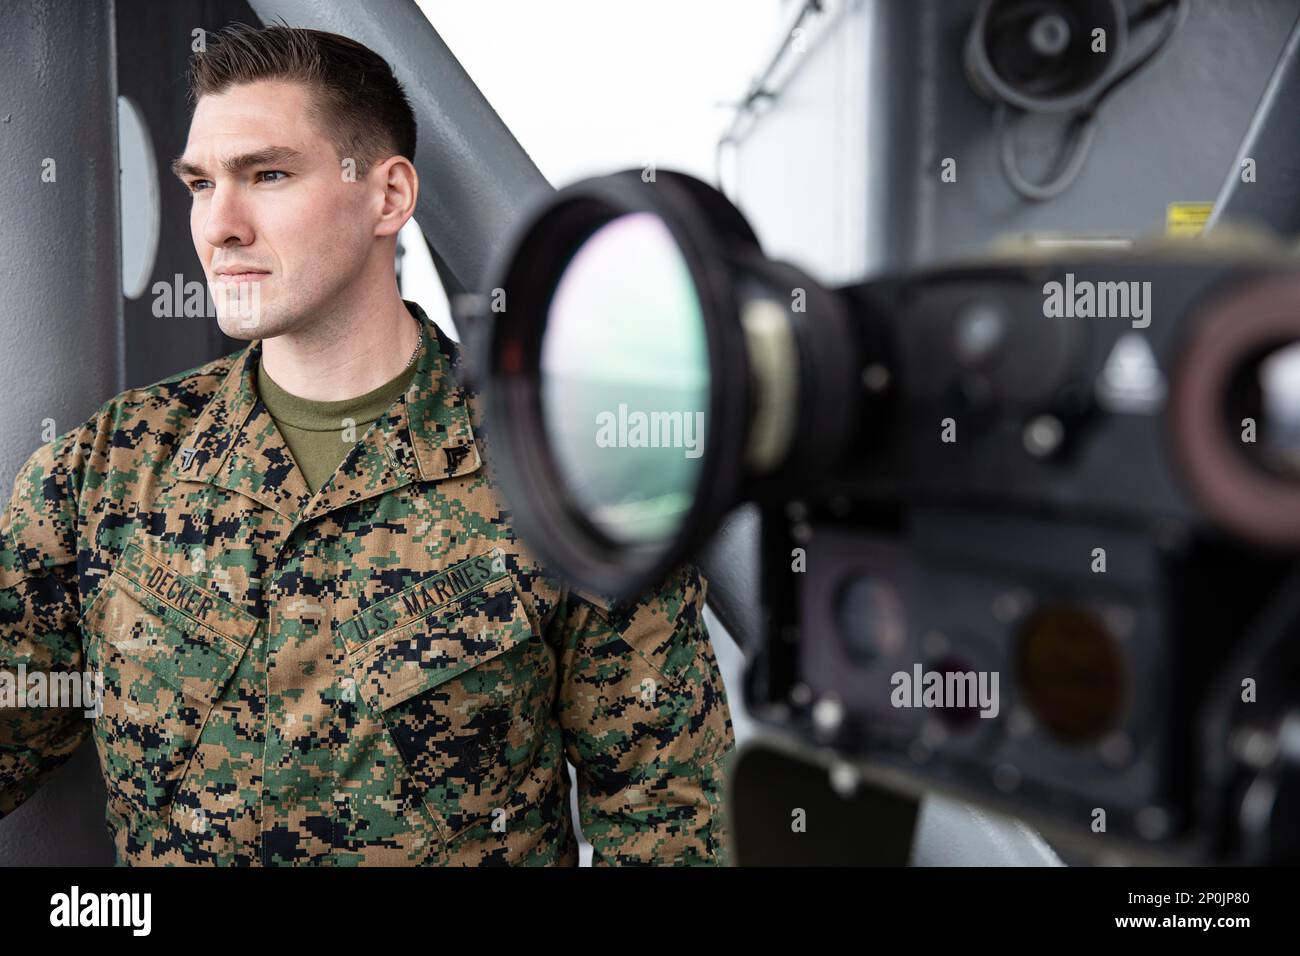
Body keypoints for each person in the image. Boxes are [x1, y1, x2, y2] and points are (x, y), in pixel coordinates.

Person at [0, 22, 734, 865]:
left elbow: (669, 820)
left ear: (387, 196)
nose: (218, 226)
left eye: (268, 175)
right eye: (202, 183)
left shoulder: (571, 473)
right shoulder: (104, 471)